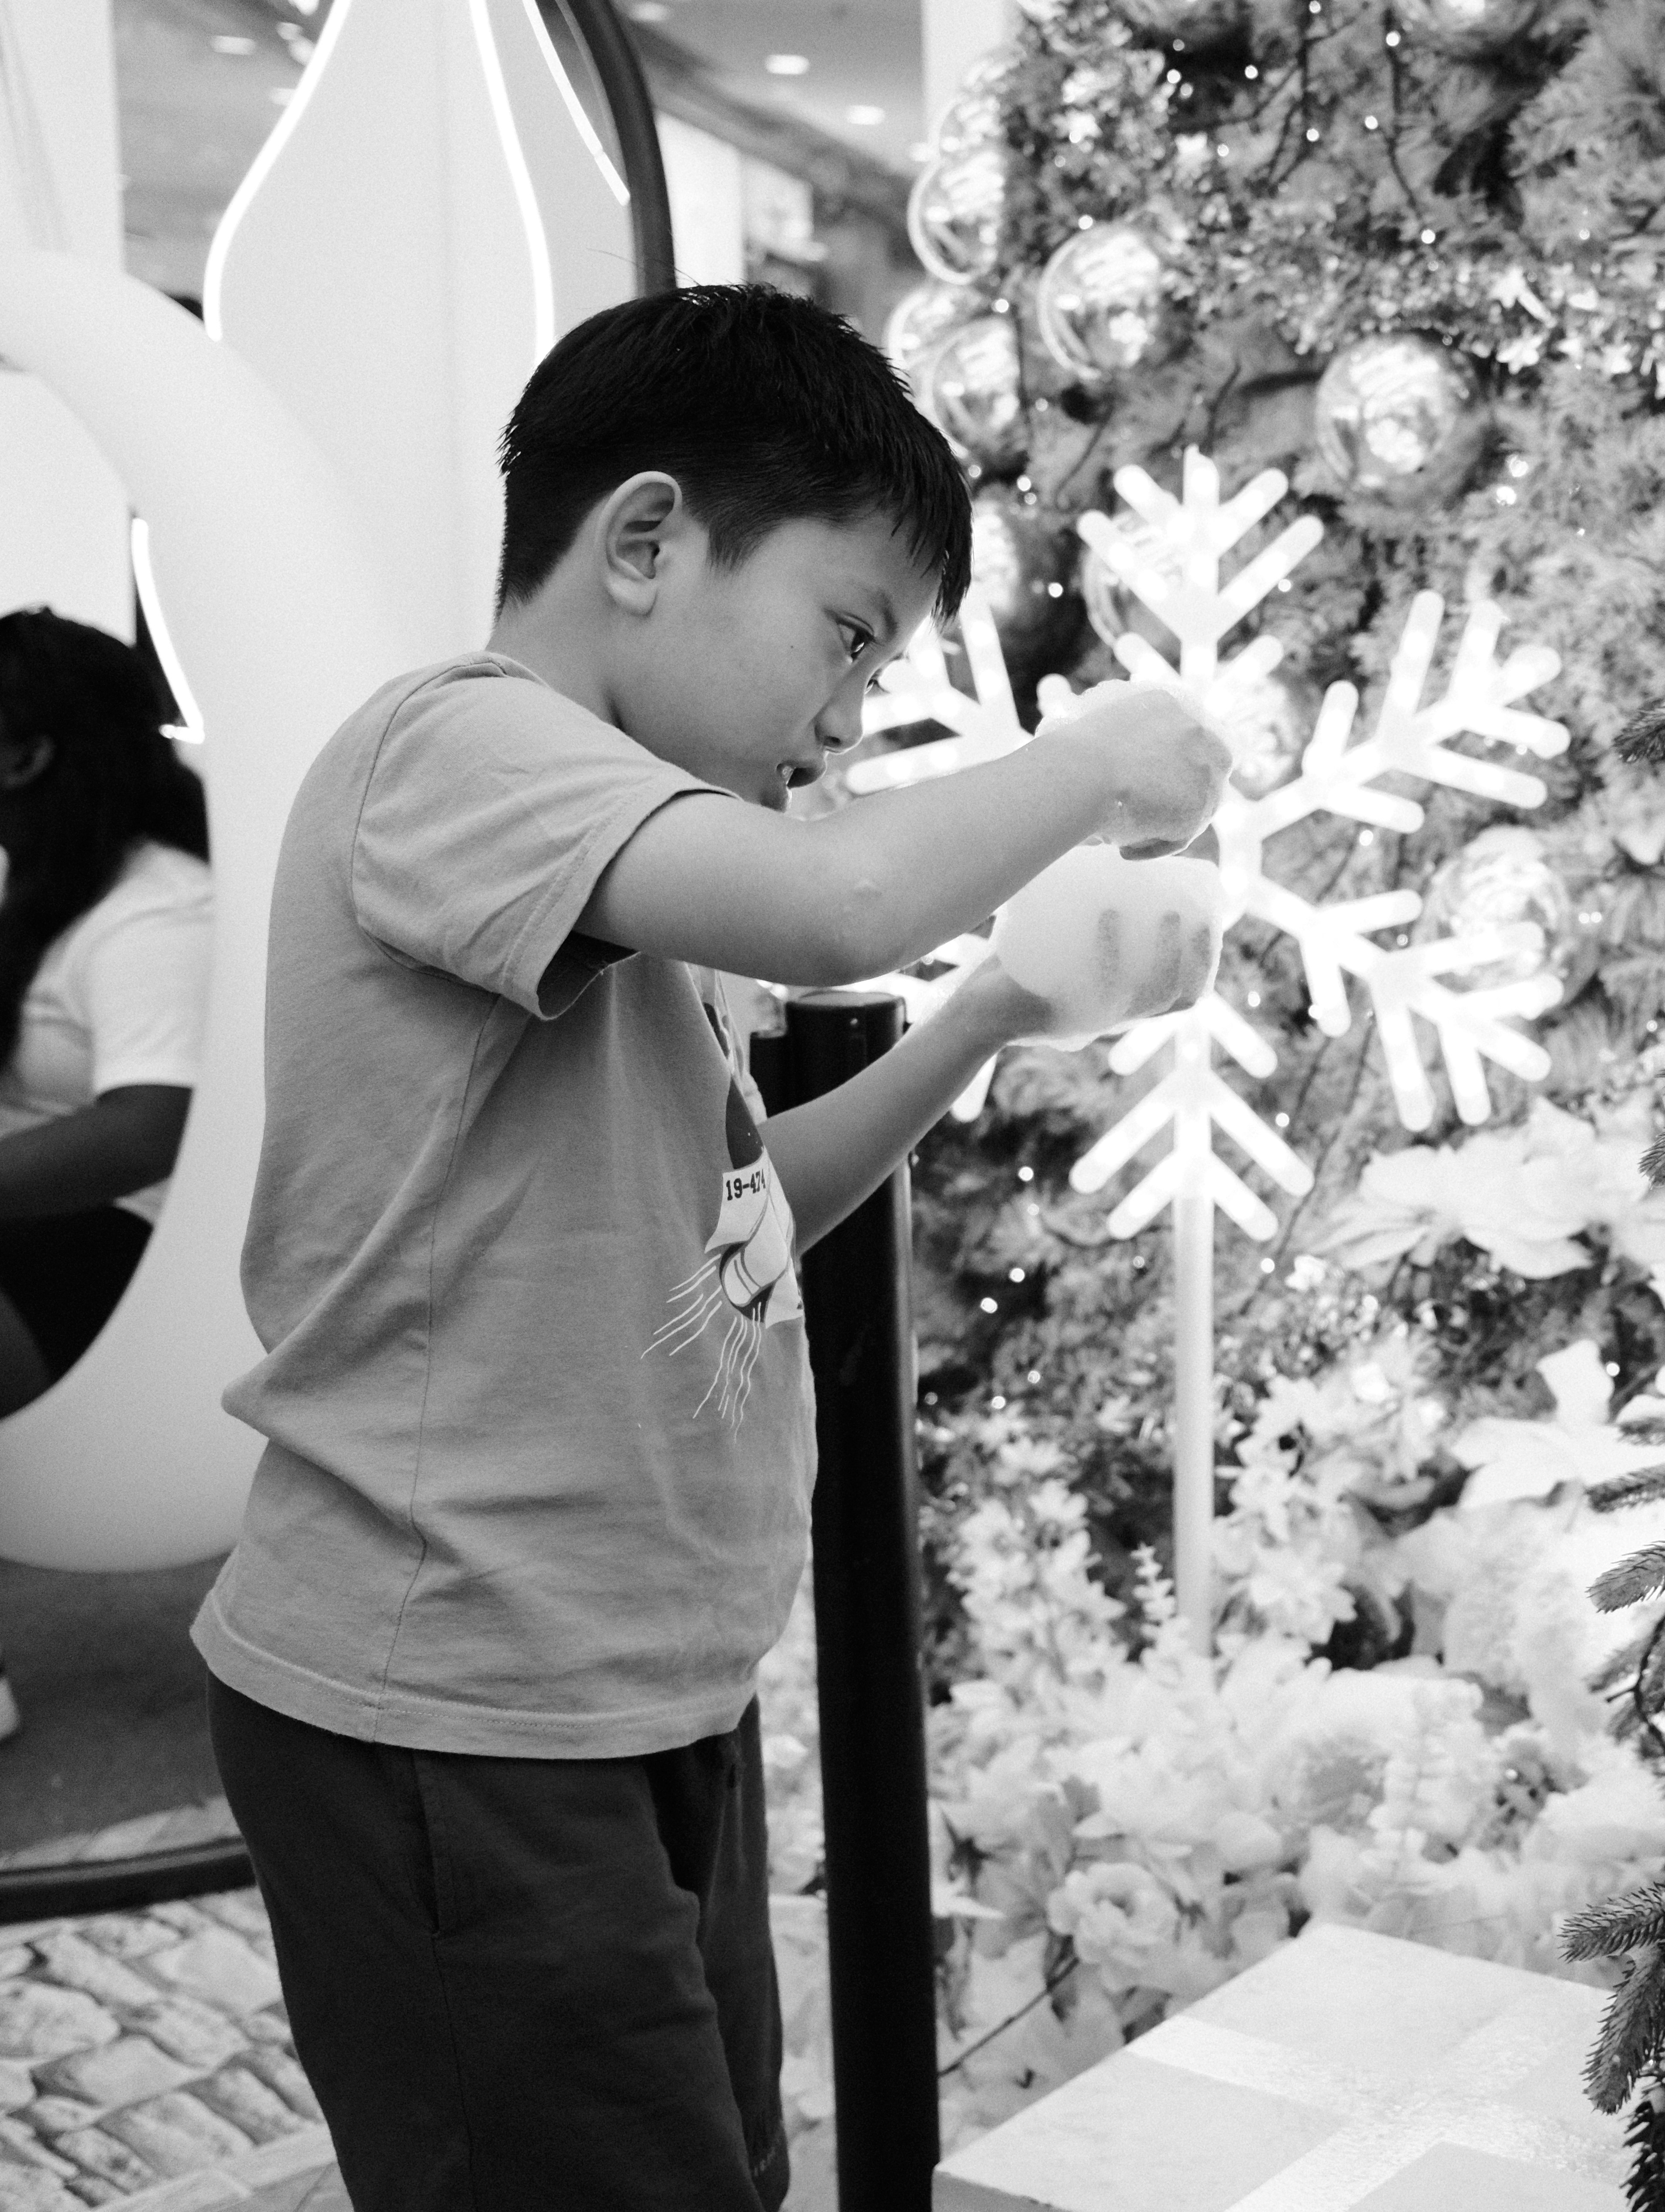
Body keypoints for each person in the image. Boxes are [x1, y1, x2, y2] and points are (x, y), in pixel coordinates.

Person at [190, 285, 1231, 2212]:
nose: (846, 720)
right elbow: (835, 907)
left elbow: (735, 1229)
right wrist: (1105, 759)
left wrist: (994, 1009)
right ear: (647, 540)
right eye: (847, 637)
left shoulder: (613, 873)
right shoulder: (458, 749)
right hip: (456, 1701)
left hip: (618, 1694)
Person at [0, 609, 214, 1745]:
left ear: (32, 753)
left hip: (136, 1251)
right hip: (54, 1225)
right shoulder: (56, 887)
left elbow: (146, 1131)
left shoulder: (153, 910)